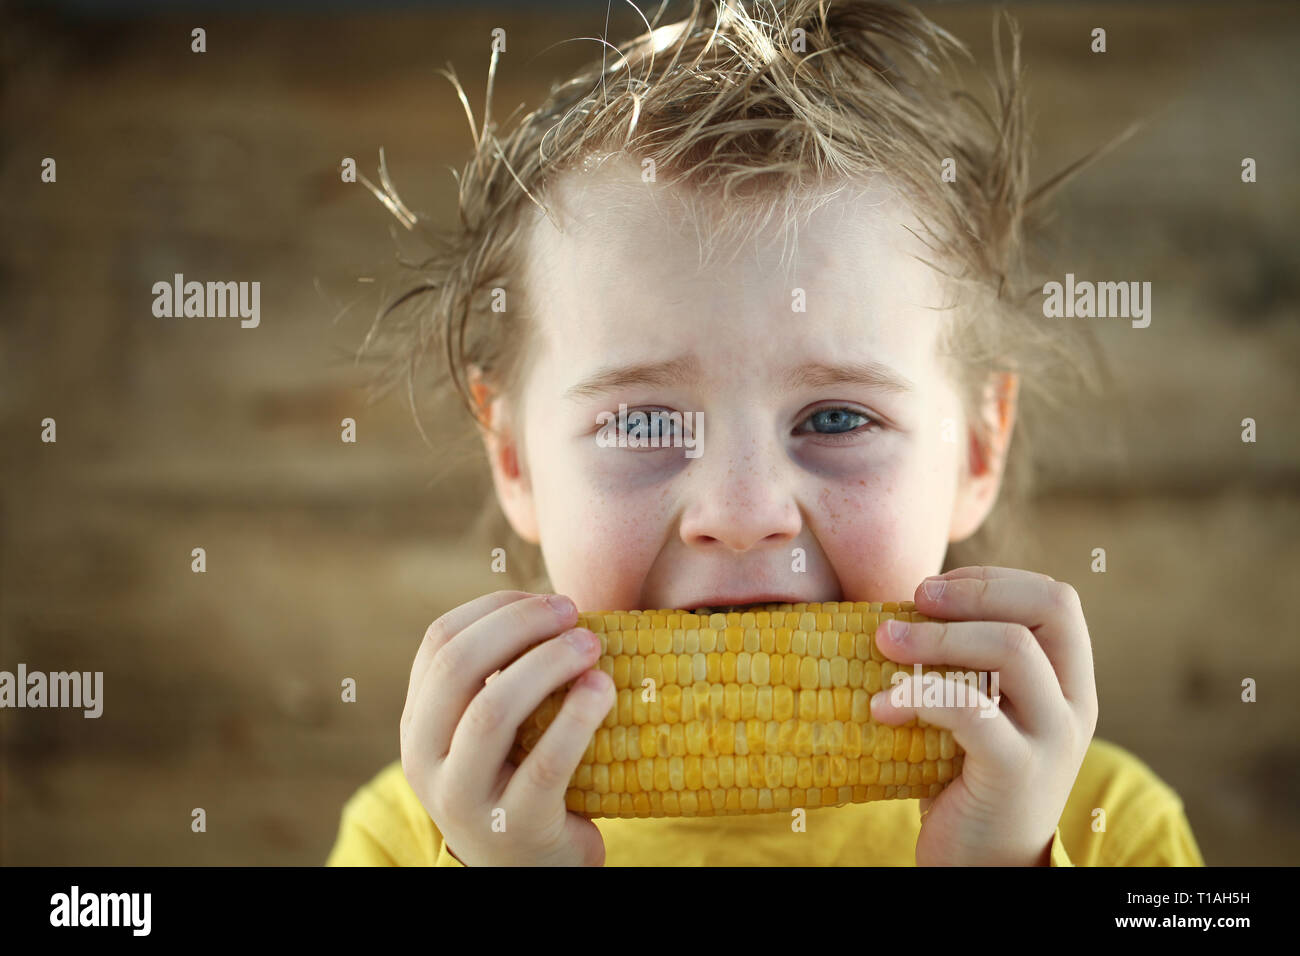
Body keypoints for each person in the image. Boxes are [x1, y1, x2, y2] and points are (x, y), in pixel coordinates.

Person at [327, 0, 1203, 866]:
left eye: (835, 417)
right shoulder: (413, 836)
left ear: (977, 448)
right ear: (514, 460)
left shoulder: (1108, 828)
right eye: (640, 421)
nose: (743, 514)